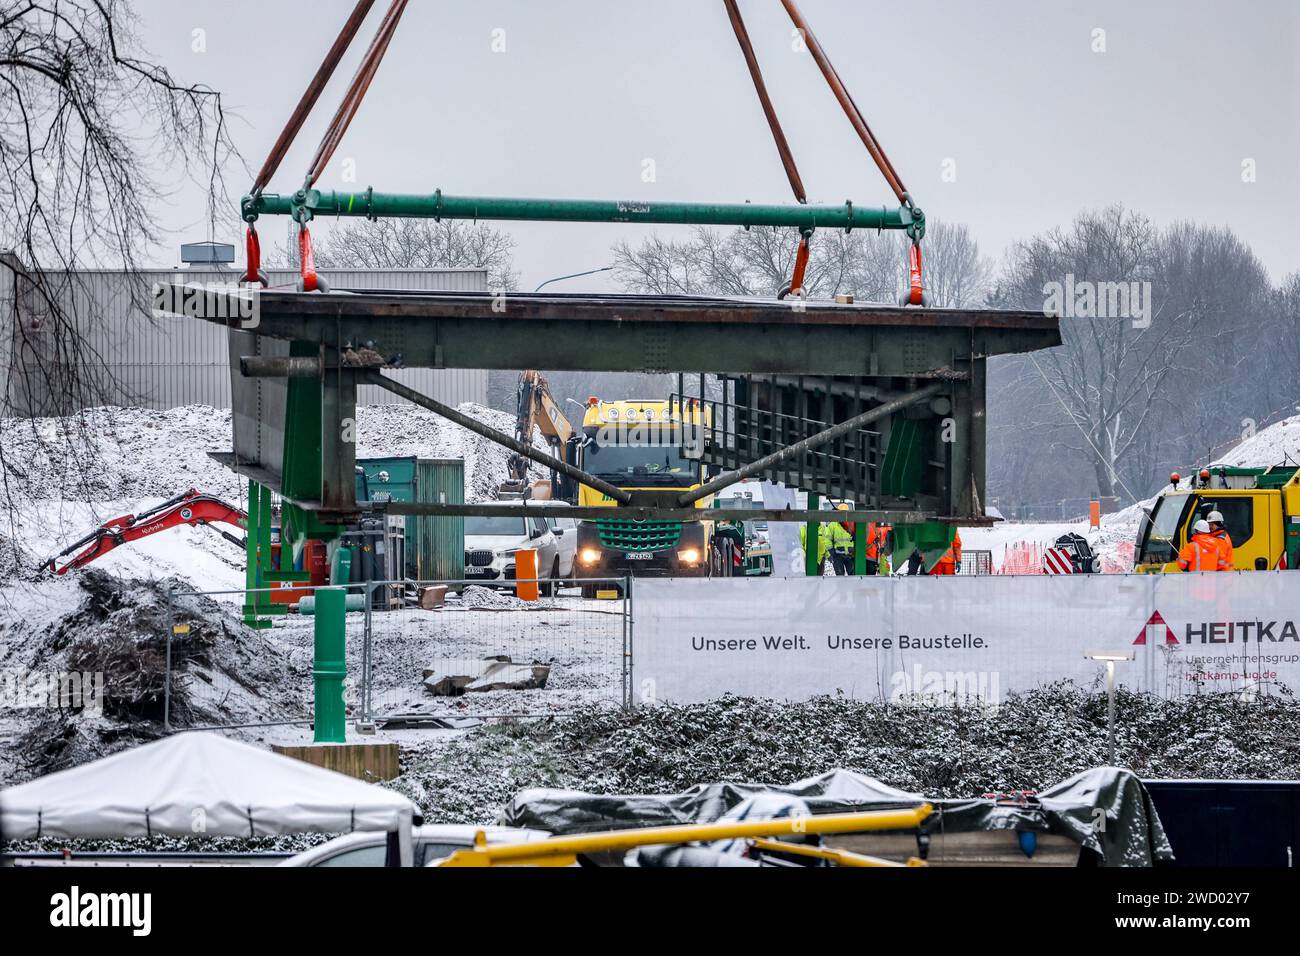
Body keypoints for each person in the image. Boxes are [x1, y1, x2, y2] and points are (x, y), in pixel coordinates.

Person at [827, 502, 855, 575]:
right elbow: (827, 539)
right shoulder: (833, 525)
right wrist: (831, 551)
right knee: (840, 576)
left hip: (850, 555)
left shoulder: (852, 524)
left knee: (853, 576)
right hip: (838, 555)